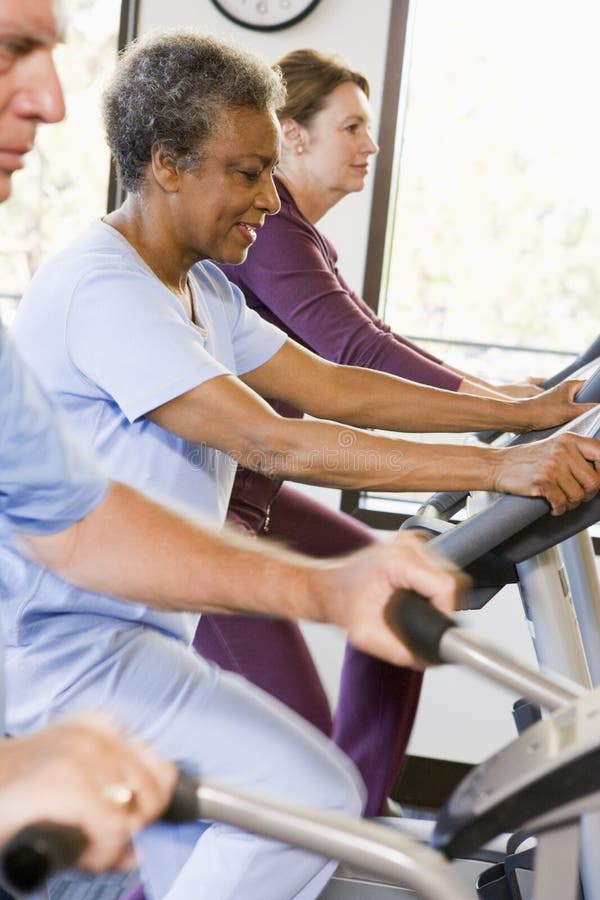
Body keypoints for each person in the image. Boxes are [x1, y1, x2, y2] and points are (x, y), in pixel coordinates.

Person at [4, 23, 600, 899]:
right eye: (247, 175)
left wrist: (520, 413)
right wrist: (502, 468)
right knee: (310, 794)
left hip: (137, 641)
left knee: (221, 838)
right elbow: (268, 438)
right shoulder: (102, 286)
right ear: (167, 164)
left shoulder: (197, 285)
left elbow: (334, 385)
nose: (269, 203)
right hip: (60, 654)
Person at [202, 49, 599, 813]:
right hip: (208, 506)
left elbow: (363, 351)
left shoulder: (297, 239)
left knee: (403, 599)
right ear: (294, 136)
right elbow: (351, 360)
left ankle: (360, 812)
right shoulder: (271, 231)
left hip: (253, 491)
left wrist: (506, 400)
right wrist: (511, 417)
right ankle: (336, 818)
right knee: (294, 779)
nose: (370, 144)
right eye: (351, 126)